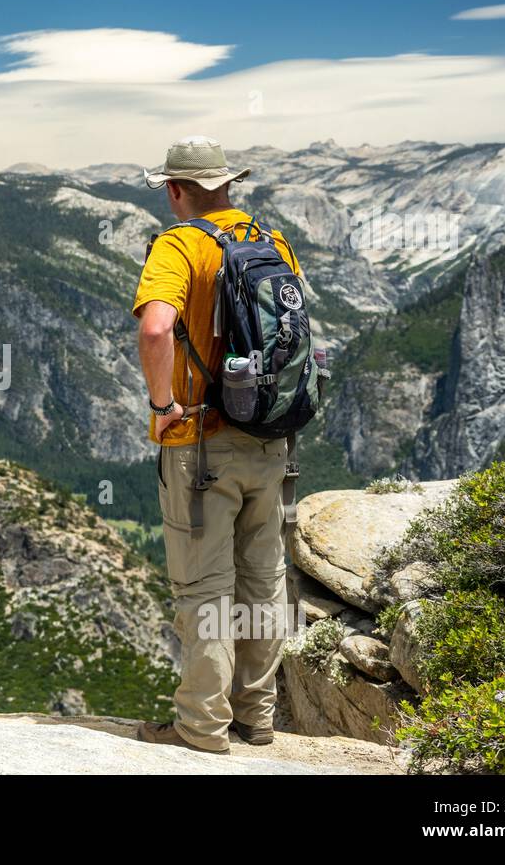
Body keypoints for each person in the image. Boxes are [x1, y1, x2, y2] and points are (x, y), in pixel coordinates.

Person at [131, 136, 301, 754]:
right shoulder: (271, 241)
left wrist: (161, 407)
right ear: (227, 184)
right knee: (262, 581)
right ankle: (256, 718)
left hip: (200, 442)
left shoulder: (179, 245)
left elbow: (156, 328)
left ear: (176, 190)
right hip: (272, 439)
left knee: (204, 590)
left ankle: (201, 728)